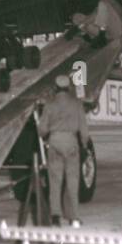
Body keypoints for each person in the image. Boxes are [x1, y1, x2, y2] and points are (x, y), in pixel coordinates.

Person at [37, 74, 89, 227]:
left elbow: (42, 129)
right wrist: (84, 145)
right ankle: (73, 217)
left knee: (55, 181)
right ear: (68, 88)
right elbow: (84, 129)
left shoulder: (50, 105)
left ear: (55, 88)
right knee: (72, 181)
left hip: (54, 143)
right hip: (71, 143)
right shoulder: (77, 104)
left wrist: (46, 137)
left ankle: (55, 216)